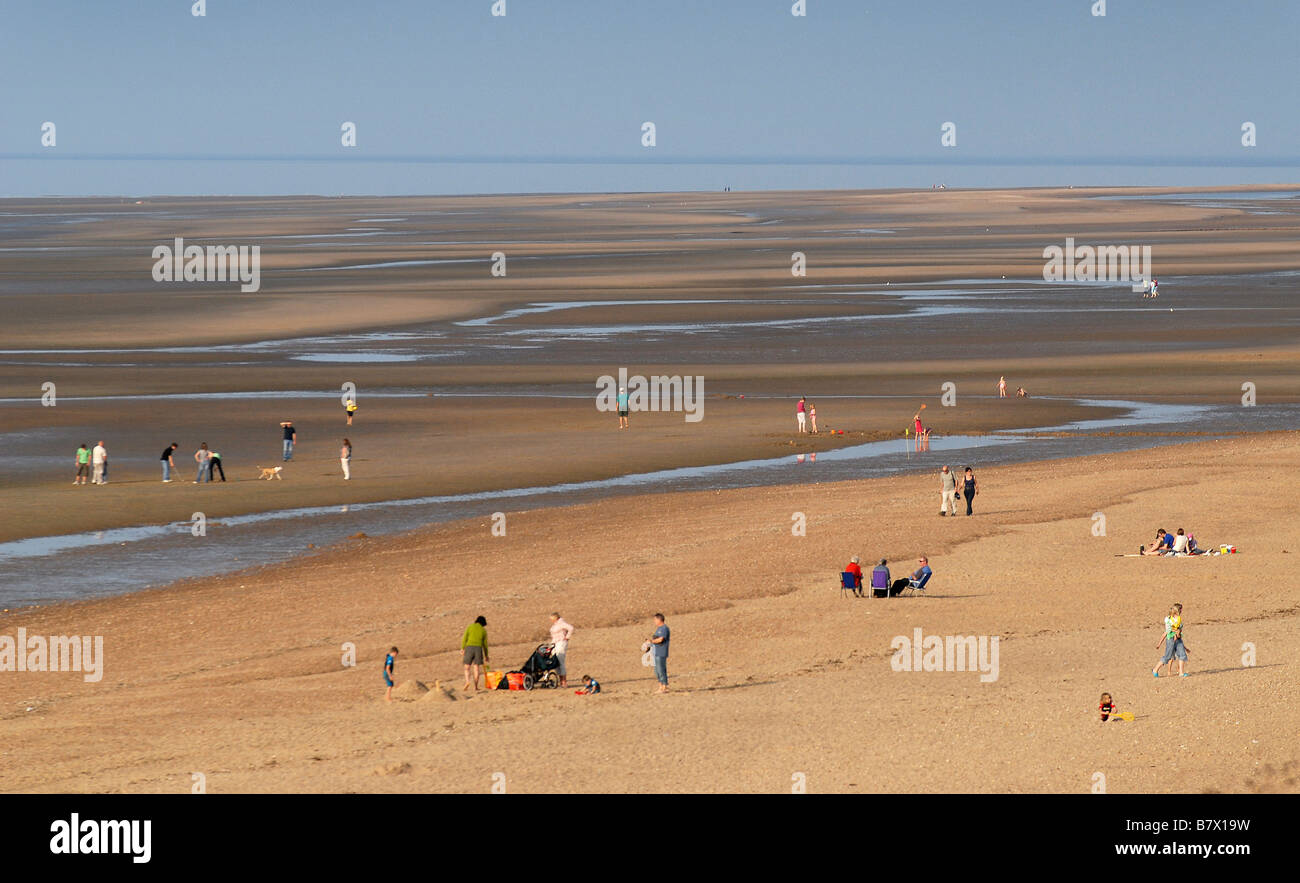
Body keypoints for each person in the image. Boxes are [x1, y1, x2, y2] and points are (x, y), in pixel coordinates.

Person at [1152, 603, 1188, 678]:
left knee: (1182, 654)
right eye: (1180, 609)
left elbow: (1180, 628)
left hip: (1178, 638)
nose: (1181, 611)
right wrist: (1159, 644)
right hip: (1171, 639)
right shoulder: (1168, 619)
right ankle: (1155, 669)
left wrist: (1178, 633)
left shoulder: (1178, 619)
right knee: (1168, 656)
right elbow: (1167, 631)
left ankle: (1181, 673)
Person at [461, 615, 489, 691]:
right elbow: (485, 645)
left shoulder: (470, 627)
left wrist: (463, 648)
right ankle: (476, 687)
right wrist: (486, 655)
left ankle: (467, 682)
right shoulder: (483, 630)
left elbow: (465, 638)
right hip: (478, 649)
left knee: (467, 667)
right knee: (476, 668)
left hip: (469, 647)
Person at [548, 612, 574, 687]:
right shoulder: (555, 624)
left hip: (561, 642)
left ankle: (564, 681)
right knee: (555, 661)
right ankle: (560, 680)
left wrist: (567, 637)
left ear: (555, 618)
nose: (551, 620)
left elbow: (571, 628)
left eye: (552, 618)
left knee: (560, 661)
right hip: (554, 643)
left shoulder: (562, 623)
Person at [649, 613, 670, 693]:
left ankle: (664, 687)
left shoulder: (664, 628)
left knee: (661, 670)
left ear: (659, 619)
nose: (654, 621)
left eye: (655, 619)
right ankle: (660, 687)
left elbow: (661, 639)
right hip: (657, 652)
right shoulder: (659, 628)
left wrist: (651, 641)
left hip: (662, 652)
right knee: (657, 671)